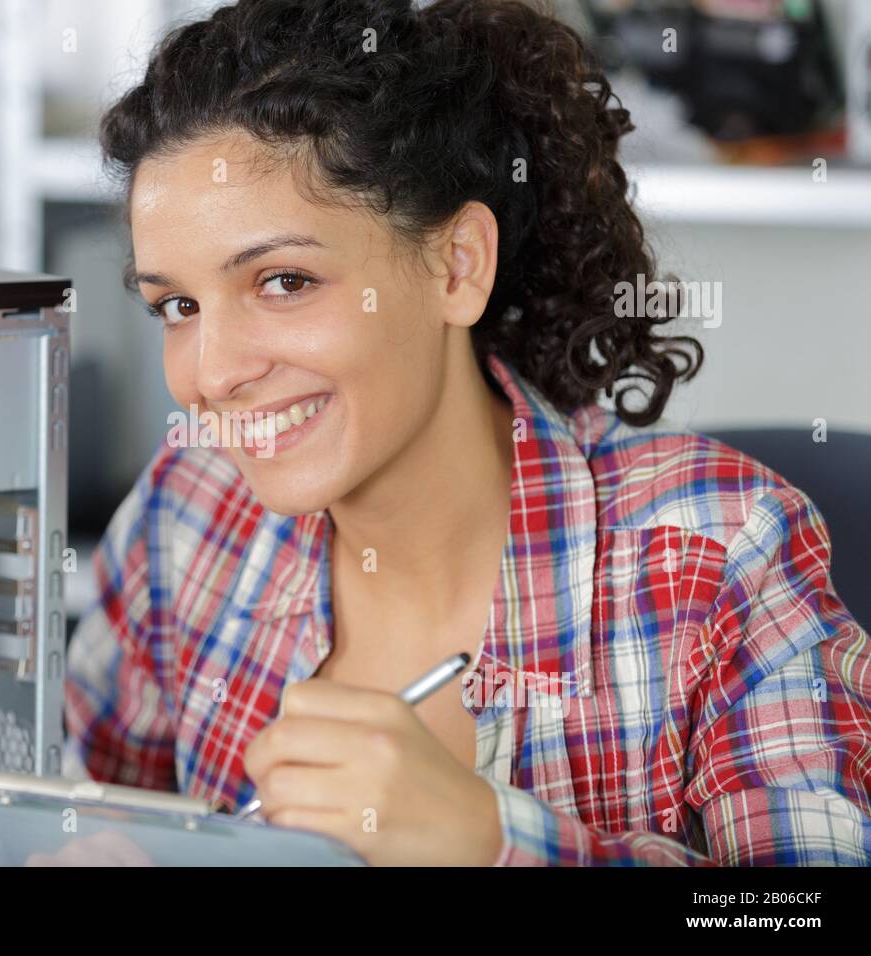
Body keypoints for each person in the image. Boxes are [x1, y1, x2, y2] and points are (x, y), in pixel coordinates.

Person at [61, 0, 871, 865]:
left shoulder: (715, 552)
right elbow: (87, 808)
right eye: (177, 306)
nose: (211, 374)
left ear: (458, 267)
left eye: (284, 281)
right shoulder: (186, 518)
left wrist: (487, 842)